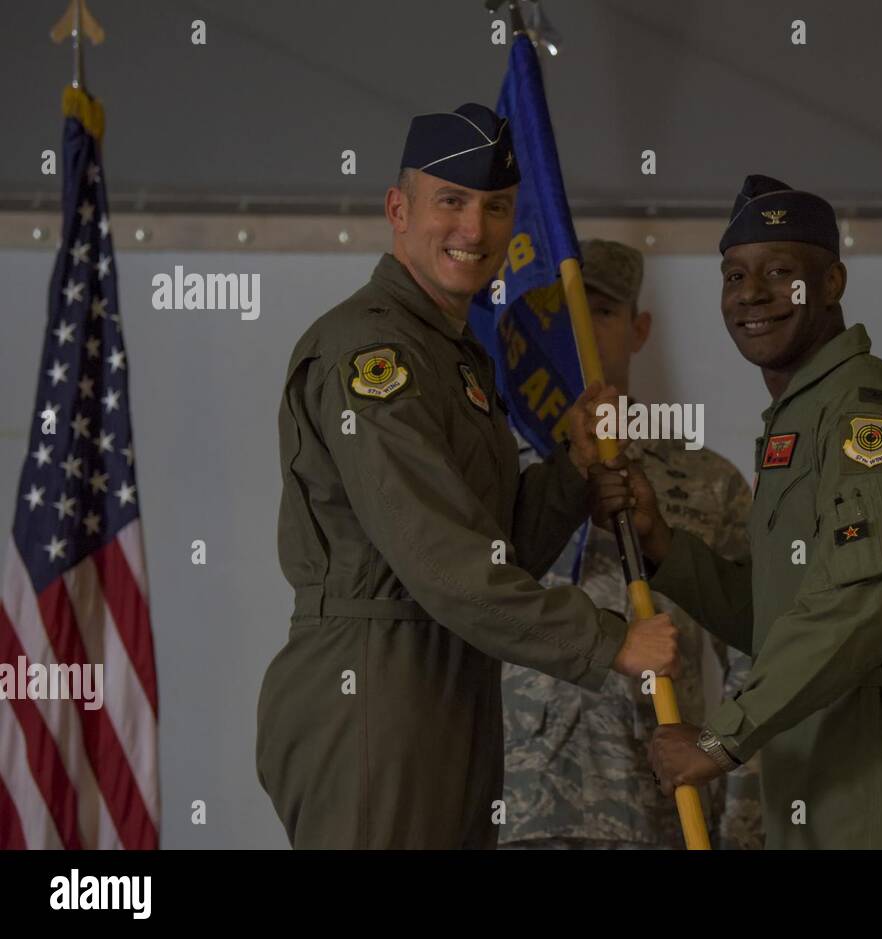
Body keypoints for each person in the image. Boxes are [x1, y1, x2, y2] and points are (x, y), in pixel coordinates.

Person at [255, 104, 679, 850]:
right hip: (374, 688)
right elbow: (441, 557)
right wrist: (609, 639)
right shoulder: (370, 351)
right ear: (398, 209)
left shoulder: (452, 356)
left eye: (495, 208)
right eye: (450, 201)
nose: (474, 230)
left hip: (448, 685)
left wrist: (575, 470)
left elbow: (494, 547)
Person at [593, 175, 882, 849]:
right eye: (735, 274)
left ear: (831, 283)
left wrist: (721, 737)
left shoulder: (864, 409)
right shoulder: (801, 415)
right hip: (821, 783)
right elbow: (782, 615)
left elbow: (860, 596)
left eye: (781, 272)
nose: (751, 293)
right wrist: (664, 549)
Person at [499, 239, 764, 850]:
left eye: (601, 312)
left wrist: (744, 821)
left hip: (660, 807)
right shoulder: (495, 480)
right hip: (515, 809)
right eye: (558, 316)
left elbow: (759, 657)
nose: (580, 332)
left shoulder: (707, 481)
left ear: (639, 329)